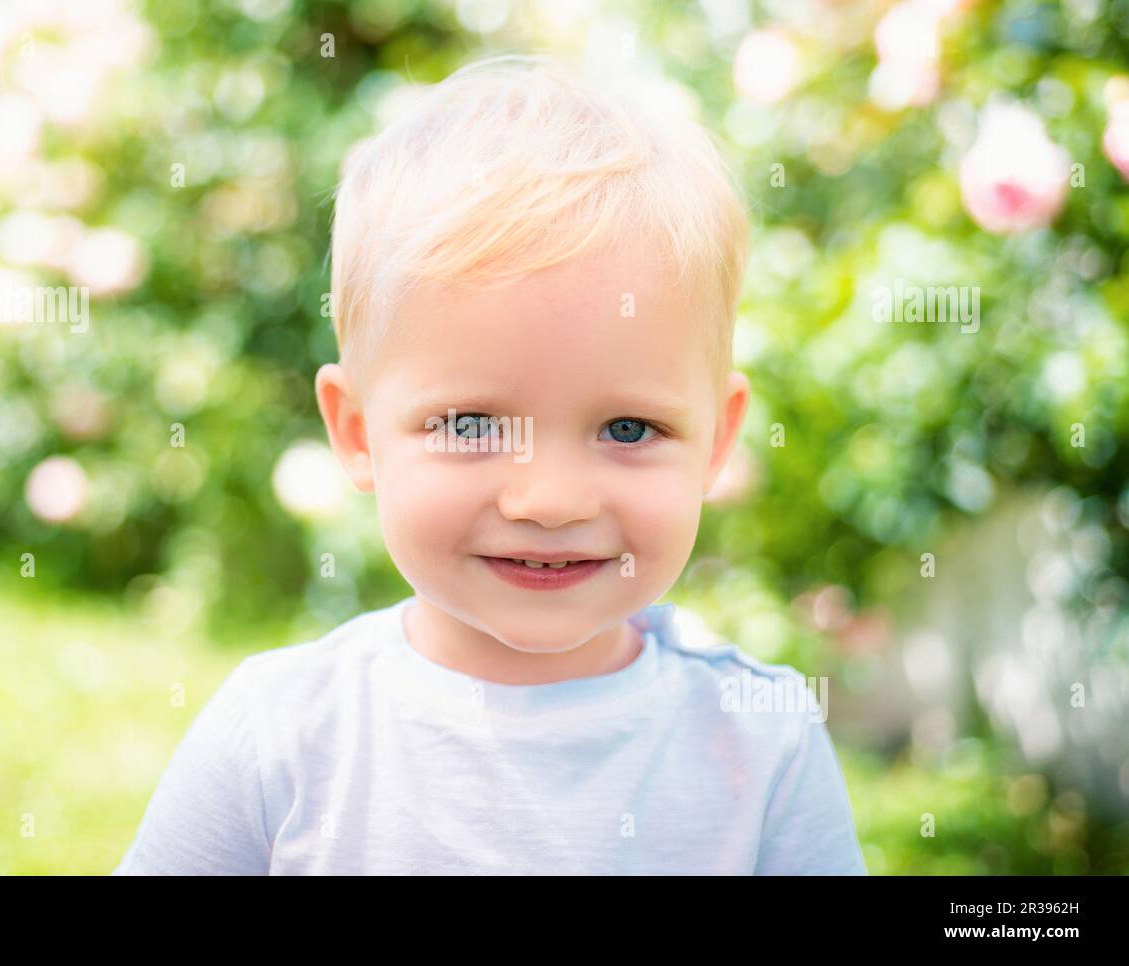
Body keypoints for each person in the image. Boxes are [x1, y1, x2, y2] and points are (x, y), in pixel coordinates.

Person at [113, 53, 867, 875]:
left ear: (716, 442)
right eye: (472, 425)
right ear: (359, 433)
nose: (550, 499)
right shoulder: (279, 740)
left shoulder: (761, 744)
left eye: (627, 428)